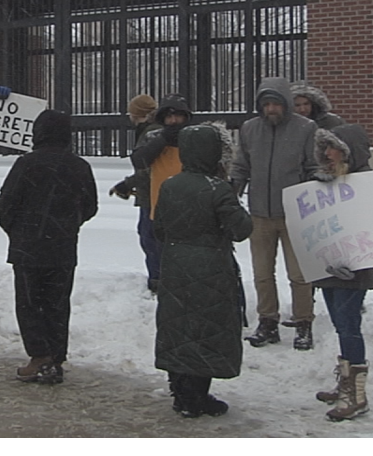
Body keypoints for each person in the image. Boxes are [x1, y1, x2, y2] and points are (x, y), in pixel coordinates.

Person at [155, 124, 253, 418]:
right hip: (211, 266)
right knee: (206, 327)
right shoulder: (217, 189)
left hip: (175, 264)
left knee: (178, 326)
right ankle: (197, 395)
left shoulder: (170, 185)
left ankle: (180, 390)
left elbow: (159, 228)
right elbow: (241, 229)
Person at [0, 109, 99, 384]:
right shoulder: (80, 166)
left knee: (30, 304)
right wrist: (68, 224)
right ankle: (55, 357)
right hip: (63, 247)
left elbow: (6, 202)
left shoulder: (26, 164)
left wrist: (18, 231)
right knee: (57, 304)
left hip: (28, 247)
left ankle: (40, 356)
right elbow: (90, 206)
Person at [228, 76, 319, 350]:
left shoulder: (306, 129)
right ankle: (267, 321)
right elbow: (241, 166)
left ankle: (303, 323)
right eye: (266, 104)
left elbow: (313, 166)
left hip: (295, 214)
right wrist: (232, 194)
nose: (271, 109)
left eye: (276, 104)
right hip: (259, 212)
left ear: (286, 103)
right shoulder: (249, 129)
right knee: (262, 273)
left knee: (299, 274)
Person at [308, 124, 373, 421]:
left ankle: (357, 394)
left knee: (349, 325)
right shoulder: (323, 183)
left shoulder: (367, 183)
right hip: (329, 265)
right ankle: (346, 380)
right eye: (324, 147)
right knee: (340, 323)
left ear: (348, 151)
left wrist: (355, 257)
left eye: (333, 147)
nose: (327, 153)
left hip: (355, 268)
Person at [114, 93, 193, 294]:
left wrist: (128, 183)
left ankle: (158, 279)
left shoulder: (154, 134)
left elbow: (146, 168)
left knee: (152, 238)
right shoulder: (156, 133)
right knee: (153, 238)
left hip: (156, 195)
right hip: (154, 193)